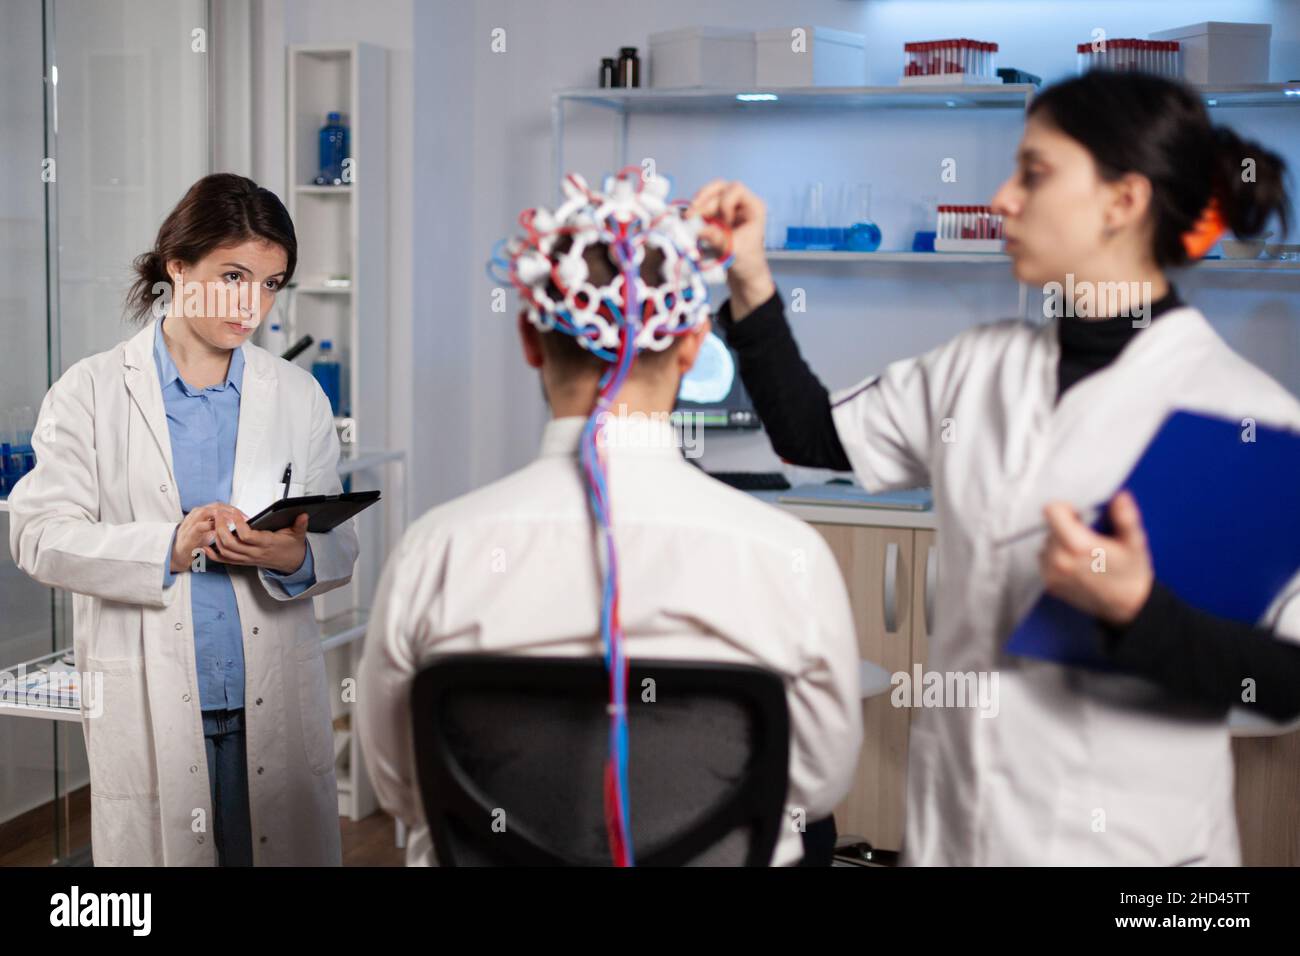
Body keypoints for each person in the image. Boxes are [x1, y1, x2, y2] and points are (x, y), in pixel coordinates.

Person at [688, 70, 1300, 865]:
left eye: (1034, 174)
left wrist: (1138, 613)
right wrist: (751, 277)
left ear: (1124, 202)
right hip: (957, 839)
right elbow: (809, 435)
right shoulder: (975, 369)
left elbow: (1283, 682)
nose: (1002, 198)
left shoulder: (1245, 417)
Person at [357, 170, 862, 866]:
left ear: (531, 341)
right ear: (693, 345)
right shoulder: (786, 555)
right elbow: (813, 787)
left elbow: (401, 787)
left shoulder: (434, 553)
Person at [8, 173, 359, 866]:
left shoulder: (295, 394)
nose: (251, 304)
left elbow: (339, 547)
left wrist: (290, 557)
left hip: (268, 694)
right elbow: (37, 537)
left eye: (271, 283)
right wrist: (171, 544)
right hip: (151, 695)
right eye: (233, 275)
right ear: (178, 266)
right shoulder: (90, 392)